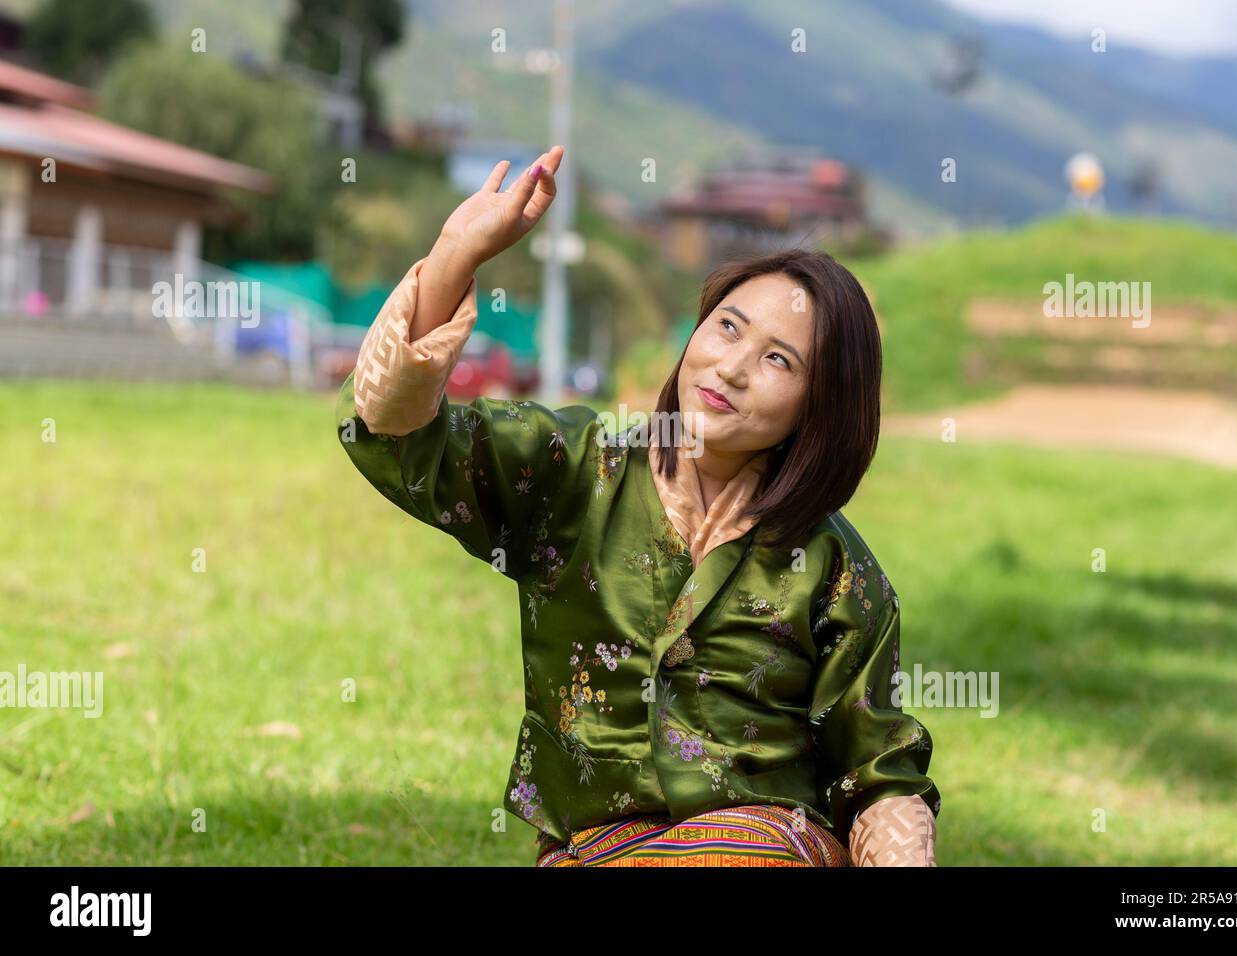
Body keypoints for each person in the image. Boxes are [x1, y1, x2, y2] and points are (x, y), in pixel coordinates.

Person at [335, 145, 940, 867]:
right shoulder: (573, 474)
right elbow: (395, 431)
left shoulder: (837, 571)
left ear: (822, 405)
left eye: (780, 360)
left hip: (762, 848)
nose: (734, 367)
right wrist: (454, 254)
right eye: (727, 327)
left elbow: (877, 771)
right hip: (595, 849)